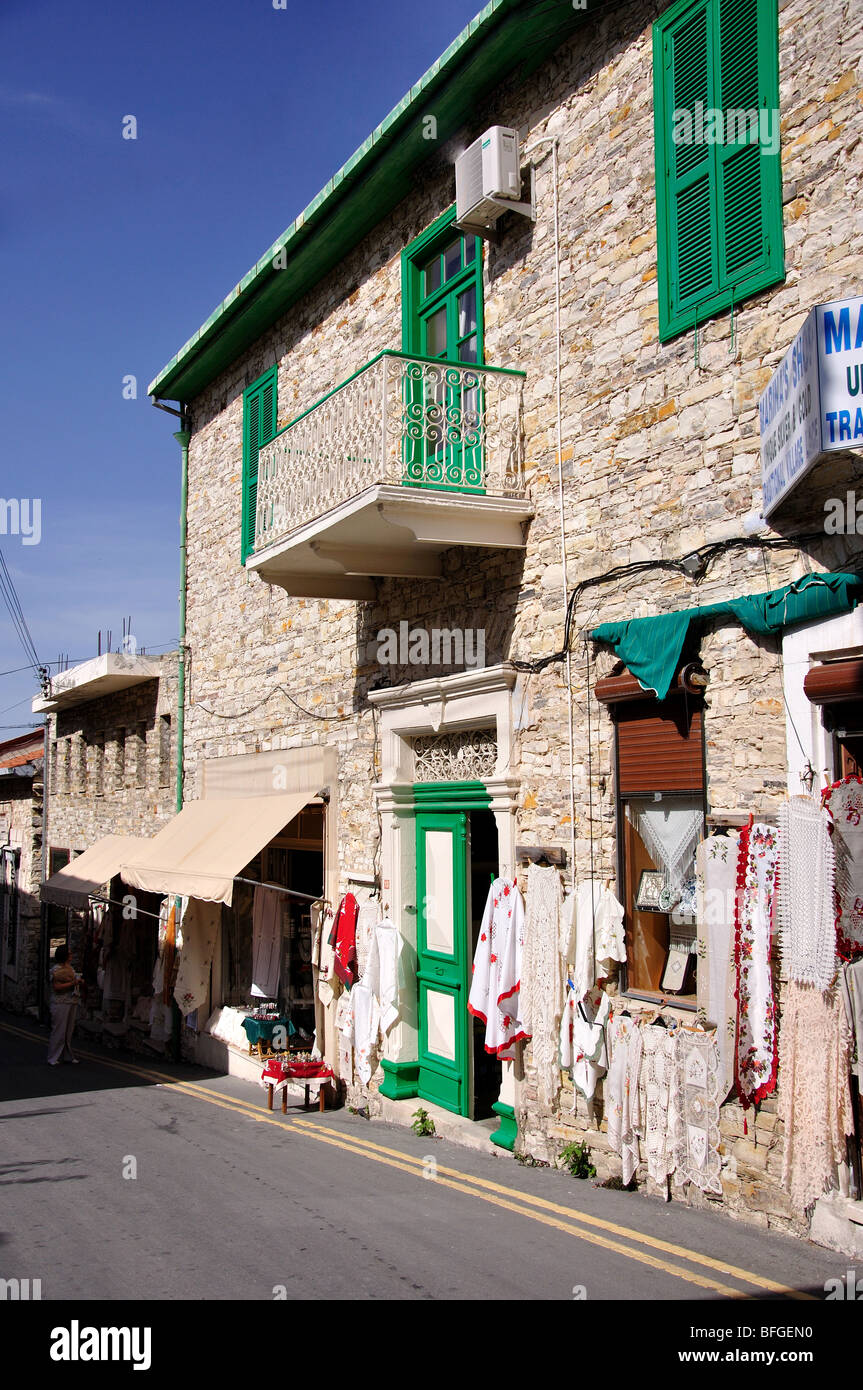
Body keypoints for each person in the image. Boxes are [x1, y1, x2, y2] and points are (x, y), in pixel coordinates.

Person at [47, 945, 81, 1066]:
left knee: (68, 1031)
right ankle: (53, 1056)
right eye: (70, 954)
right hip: (60, 1002)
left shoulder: (70, 968)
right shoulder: (56, 970)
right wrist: (73, 983)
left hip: (71, 1001)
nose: (71, 955)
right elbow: (57, 987)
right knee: (59, 1030)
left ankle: (67, 1055)